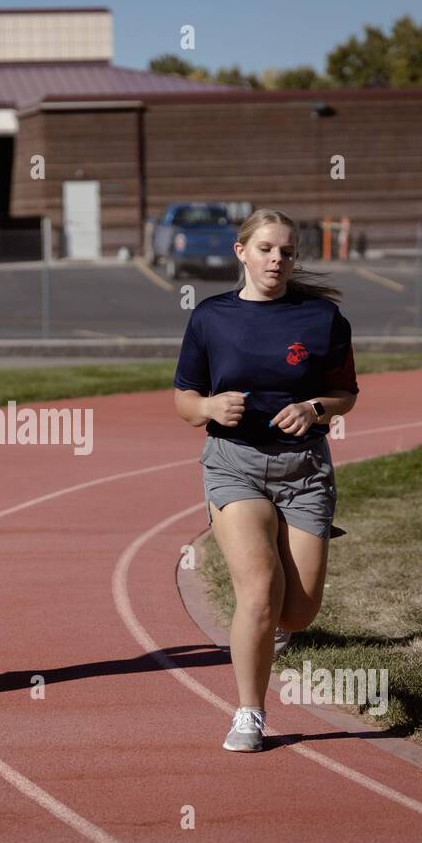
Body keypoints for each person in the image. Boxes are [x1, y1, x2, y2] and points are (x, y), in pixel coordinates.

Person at [173, 208, 360, 752]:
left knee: (297, 614)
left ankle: (274, 625)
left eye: (286, 251)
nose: (276, 259)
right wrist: (208, 403)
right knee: (256, 594)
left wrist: (314, 408)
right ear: (242, 252)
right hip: (234, 464)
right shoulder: (211, 317)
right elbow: (184, 400)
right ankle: (250, 713)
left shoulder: (321, 319)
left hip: (305, 472)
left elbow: (346, 393)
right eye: (265, 249)